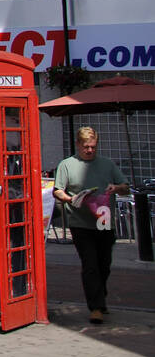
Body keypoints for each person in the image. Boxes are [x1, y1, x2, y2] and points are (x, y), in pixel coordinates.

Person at [53, 126, 130, 325]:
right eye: (86, 147)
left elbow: (125, 187)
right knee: (90, 265)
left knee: (104, 264)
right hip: (80, 222)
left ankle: (100, 297)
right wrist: (70, 199)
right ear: (78, 144)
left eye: (93, 147)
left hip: (104, 220)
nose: (90, 150)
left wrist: (116, 188)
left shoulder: (107, 164)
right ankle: (95, 307)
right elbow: (58, 191)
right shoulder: (67, 165)